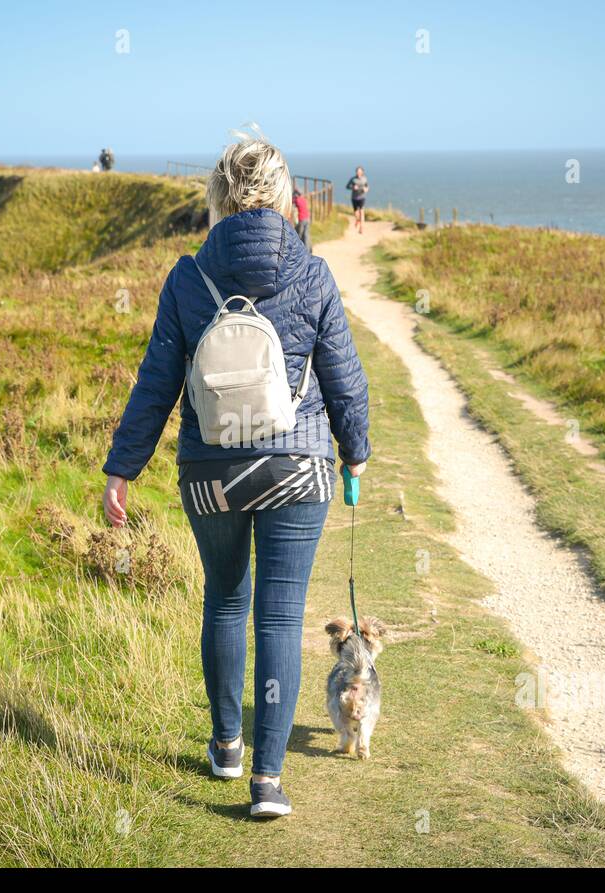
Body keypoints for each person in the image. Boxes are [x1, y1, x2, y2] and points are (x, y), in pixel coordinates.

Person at [100, 132, 371, 819]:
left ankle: (226, 744)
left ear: (218, 197)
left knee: (224, 600)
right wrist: (355, 450)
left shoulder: (188, 277)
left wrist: (122, 467)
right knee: (279, 615)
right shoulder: (312, 274)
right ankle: (269, 783)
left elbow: (156, 382)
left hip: (210, 466)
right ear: (286, 198)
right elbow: (344, 375)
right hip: (296, 463)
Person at [346, 166, 368, 234]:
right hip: (354, 198)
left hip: (362, 197)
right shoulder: (353, 179)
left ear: (362, 172)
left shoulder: (365, 178)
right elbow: (347, 186)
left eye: (360, 171)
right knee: (356, 213)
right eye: (357, 171)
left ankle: (361, 228)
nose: (359, 173)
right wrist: (353, 187)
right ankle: (357, 220)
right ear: (356, 172)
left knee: (361, 212)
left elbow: (367, 186)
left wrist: (366, 189)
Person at [292, 187, 311, 251]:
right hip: (307, 219)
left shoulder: (297, 200)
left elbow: (292, 201)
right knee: (306, 235)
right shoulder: (303, 200)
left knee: (299, 235)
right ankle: (308, 250)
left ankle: (299, 250)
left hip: (302, 219)